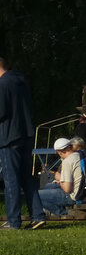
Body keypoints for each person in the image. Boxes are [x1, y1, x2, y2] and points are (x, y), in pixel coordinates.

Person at [0, 55, 47, 231]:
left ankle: (13, 220)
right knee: (27, 177)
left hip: (8, 136)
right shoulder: (22, 81)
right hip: (26, 134)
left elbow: (1, 112)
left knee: (11, 179)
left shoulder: (3, 84)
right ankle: (37, 215)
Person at [40, 136, 83, 217]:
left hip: (72, 196)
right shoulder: (78, 156)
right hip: (81, 191)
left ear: (59, 152)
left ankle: (62, 213)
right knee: (49, 186)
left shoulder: (68, 161)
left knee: (37, 195)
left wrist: (60, 180)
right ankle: (56, 211)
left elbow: (67, 189)